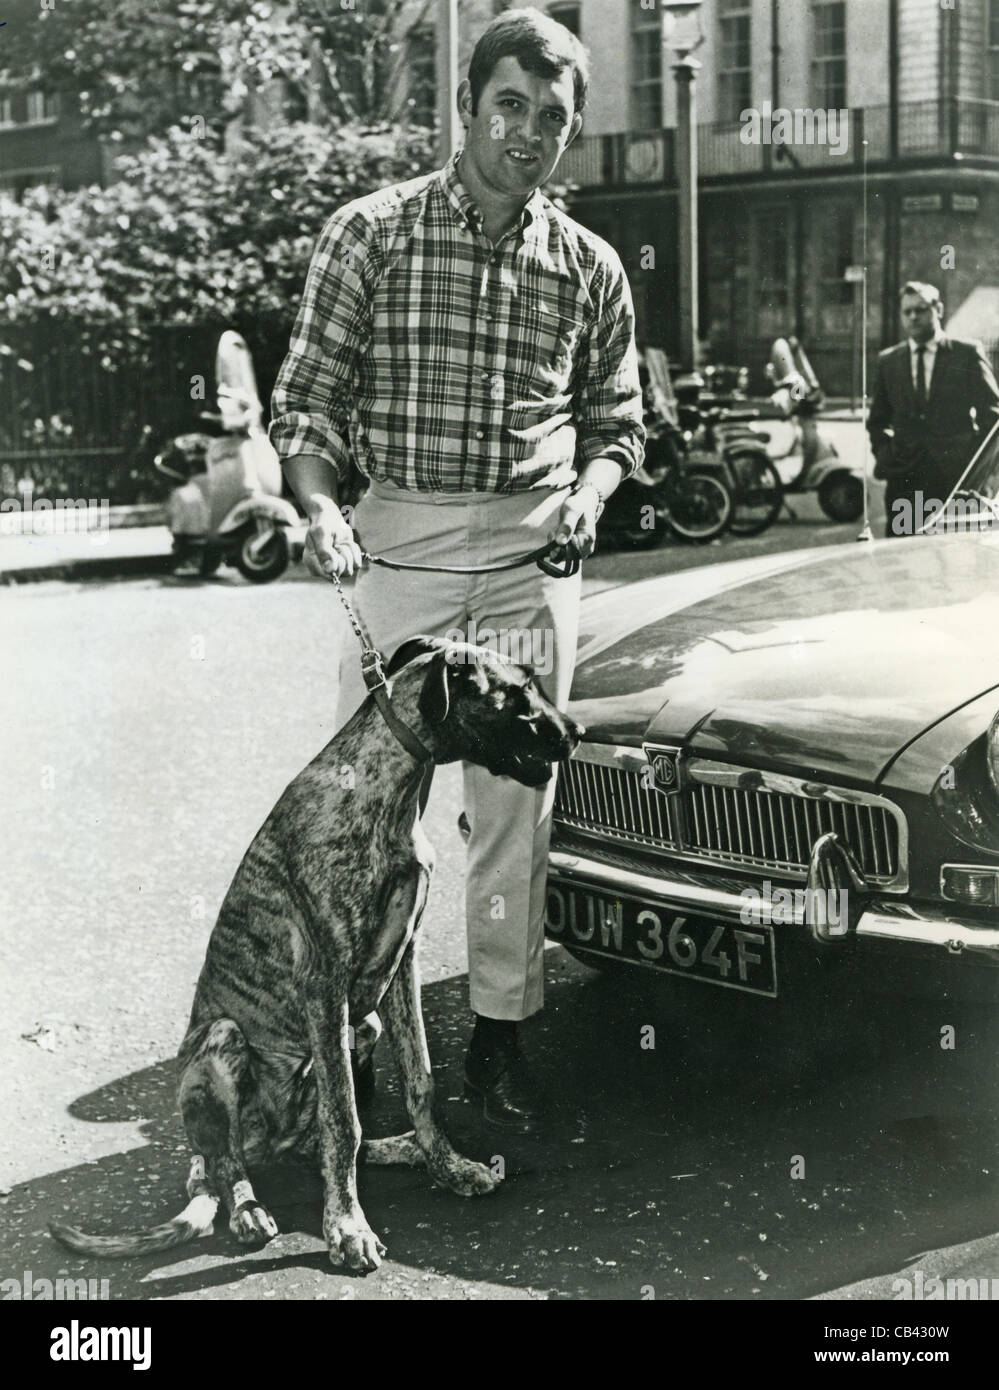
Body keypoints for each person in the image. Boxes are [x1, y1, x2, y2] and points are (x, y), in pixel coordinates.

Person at [269, 7, 645, 1133]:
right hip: (404, 544)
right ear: (469, 105)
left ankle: (498, 1039)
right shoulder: (370, 233)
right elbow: (307, 402)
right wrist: (321, 505)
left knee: (514, 805)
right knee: (369, 810)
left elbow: (615, 423)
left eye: (554, 121)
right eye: (511, 106)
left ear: (571, 138)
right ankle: (351, 1035)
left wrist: (586, 495)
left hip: (533, 553)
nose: (528, 134)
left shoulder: (589, 266)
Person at [868, 281, 999, 536]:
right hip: (905, 480)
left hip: (956, 482)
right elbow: (877, 421)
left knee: (958, 557)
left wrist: (974, 467)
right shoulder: (889, 361)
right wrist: (887, 456)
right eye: (907, 312)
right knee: (901, 557)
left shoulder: (966, 353)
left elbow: (993, 417)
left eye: (921, 309)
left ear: (938, 309)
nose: (914, 317)